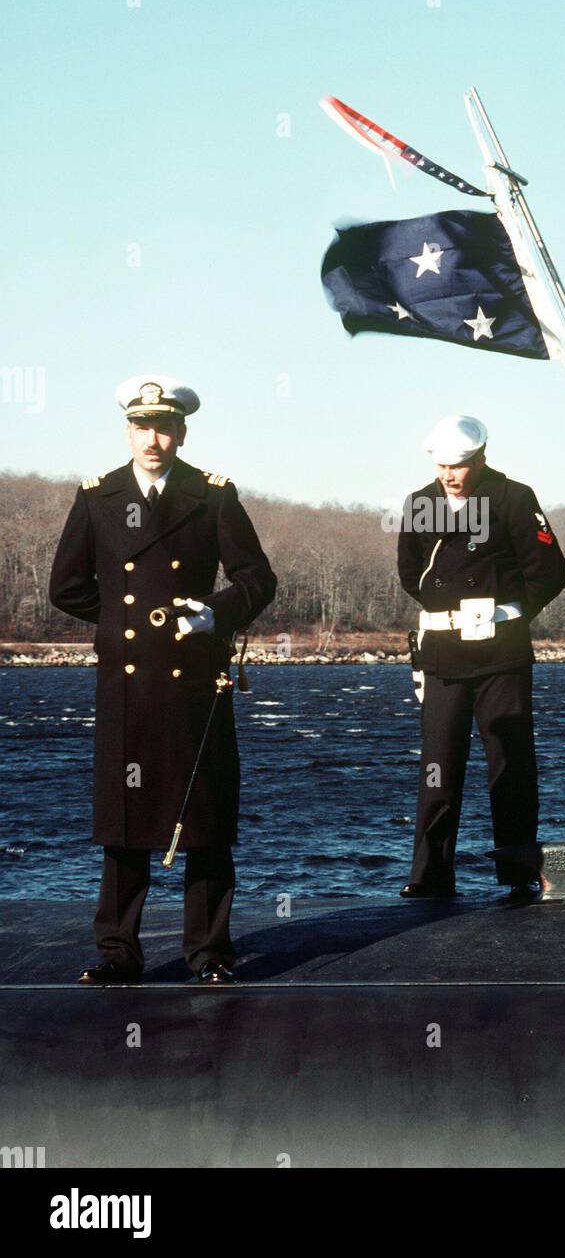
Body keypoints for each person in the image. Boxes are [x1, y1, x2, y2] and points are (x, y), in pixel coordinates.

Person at [49, 375, 276, 982]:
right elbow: (66, 587)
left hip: (194, 678)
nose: (155, 438)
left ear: (182, 432)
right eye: (144, 426)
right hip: (128, 685)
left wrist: (214, 613)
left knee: (204, 821)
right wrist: (127, 622)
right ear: (128, 430)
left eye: (166, 427)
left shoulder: (213, 495)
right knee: (124, 823)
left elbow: (258, 579)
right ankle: (117, 954)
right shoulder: (97, 496)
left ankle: (210, 954)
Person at [396, 415, 565, 900]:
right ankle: (430, 875)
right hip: (444, 652)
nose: (450, 474)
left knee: (510, 765)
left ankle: (517, 871)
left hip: (500, 652)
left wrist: (508, 612)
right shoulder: (421, 503)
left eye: (460, 465)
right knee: (437, 767)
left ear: (482, 457)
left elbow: (550, 571)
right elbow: (411, 571)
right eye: (442, 464)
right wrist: (443, 608)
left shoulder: (514, 498)